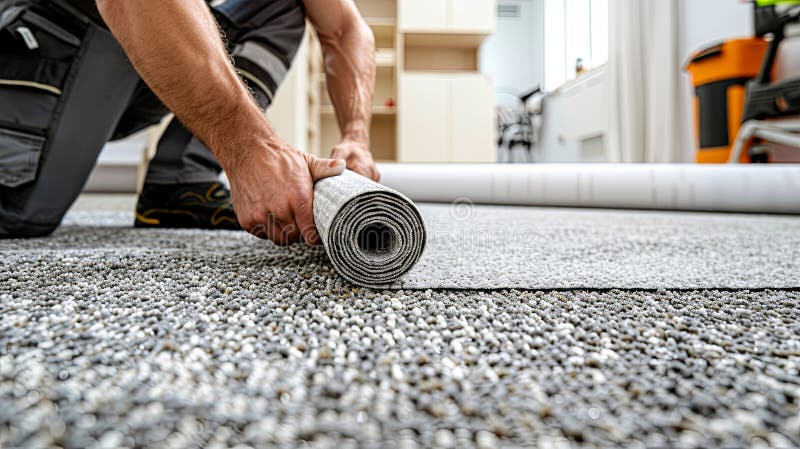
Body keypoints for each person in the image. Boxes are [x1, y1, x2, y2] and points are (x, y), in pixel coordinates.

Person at [0, 0, 380, 245]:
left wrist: (356, 137)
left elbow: (347, 29)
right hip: (43, 41)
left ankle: (179, 185)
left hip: (125, 55)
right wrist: (250, 149)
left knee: (278, 7)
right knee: (20, 212)